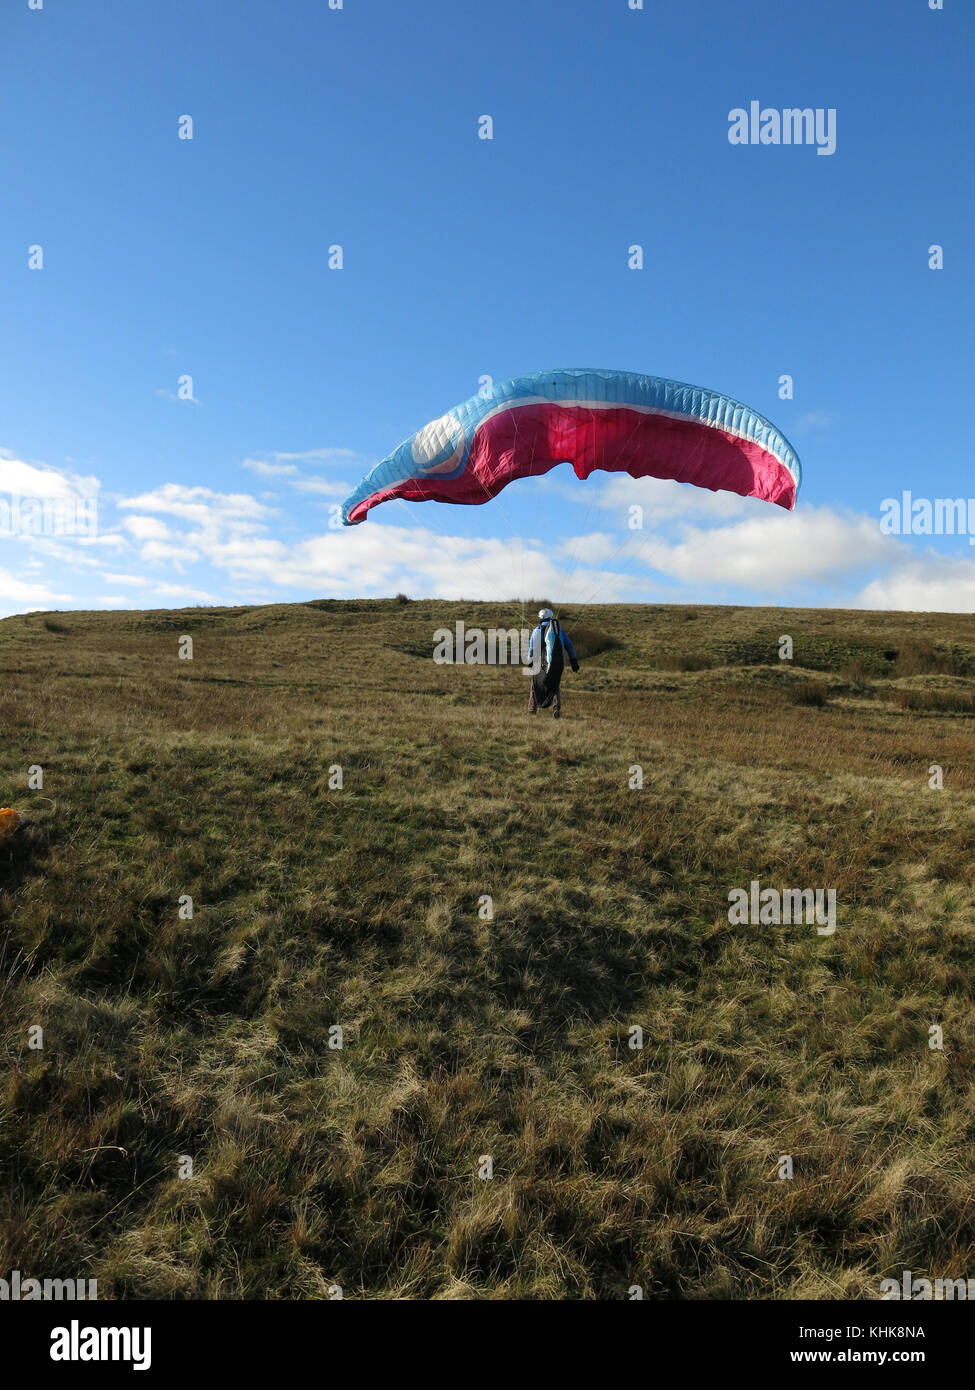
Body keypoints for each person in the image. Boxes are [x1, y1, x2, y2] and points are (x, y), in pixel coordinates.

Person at [527, 608, 579, 719]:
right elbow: (569, 646)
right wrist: (574, 661)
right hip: (558, 664)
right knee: (554, 685)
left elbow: (532, 648)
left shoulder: (537, 630)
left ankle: (532, 710)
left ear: (540, 618)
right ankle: (556, 709)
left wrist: (529, 661)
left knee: (535, 685)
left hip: (541, 664)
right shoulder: (559, 631)